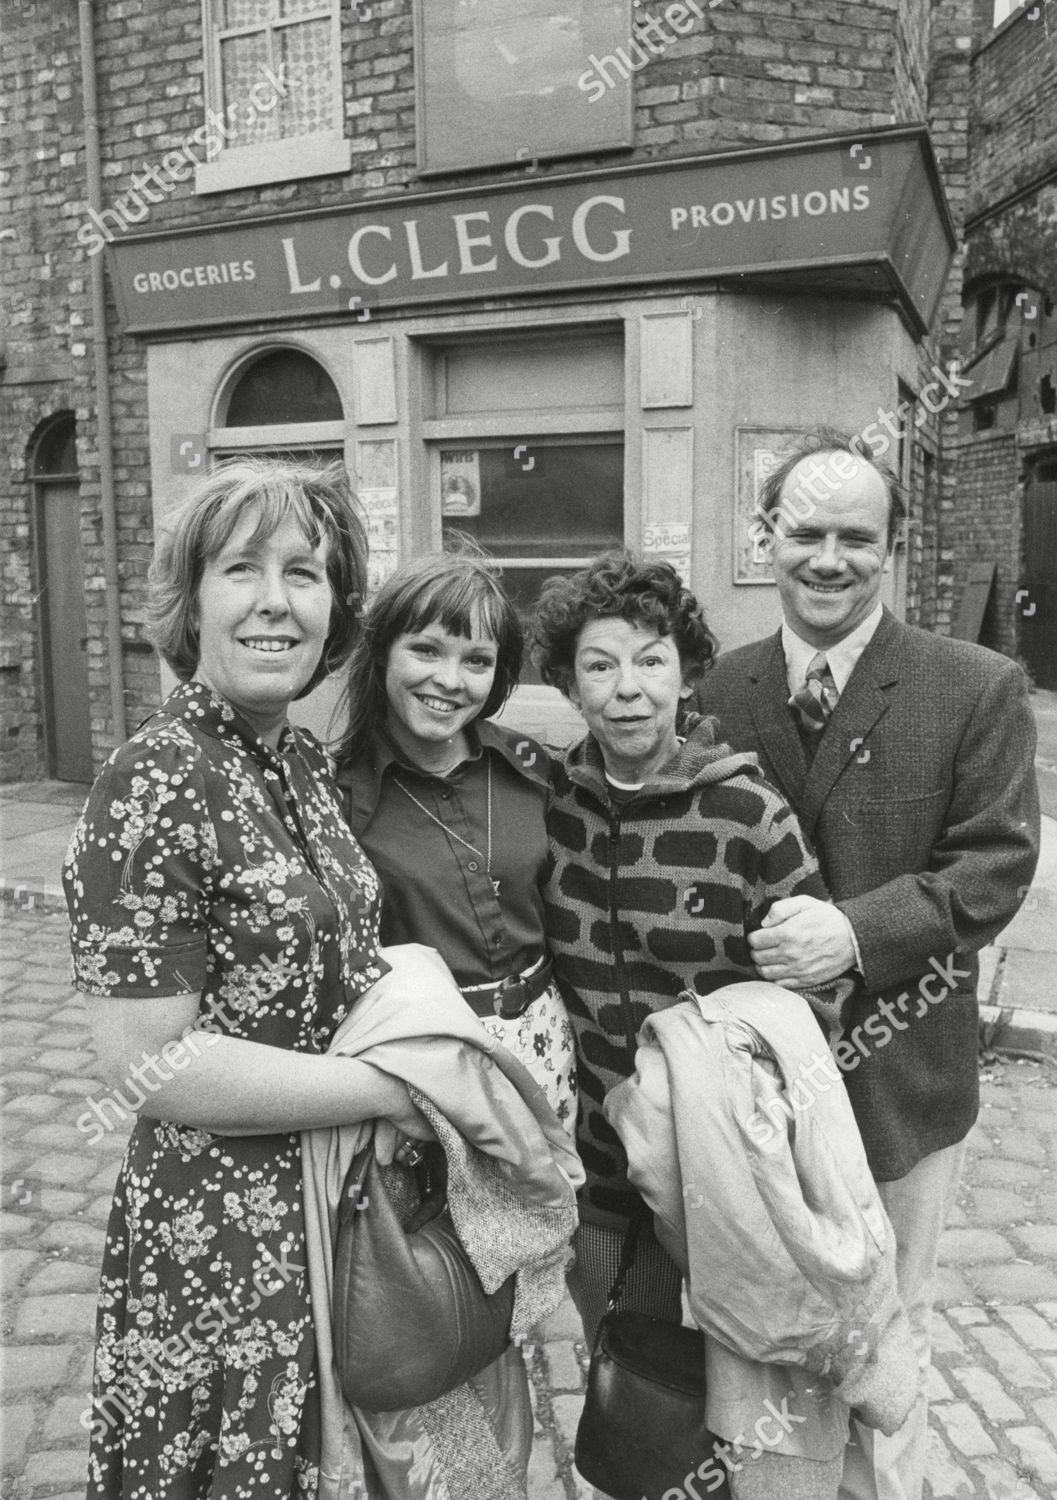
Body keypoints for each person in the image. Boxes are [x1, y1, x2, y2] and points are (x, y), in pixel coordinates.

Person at [63, 459, 436, 1499]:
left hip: (341, 1209)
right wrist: (391, 1088)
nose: (277, 600)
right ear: (191, 604)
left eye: (305, 573)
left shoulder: (296, 761)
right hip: (227, 1240)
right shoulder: (153, 779)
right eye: (242, 570)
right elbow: (150, 1068)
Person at [698, 429, 1040, 1500]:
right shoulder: (715, 689)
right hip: (751, 1094)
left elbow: (994, 865)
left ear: (891, 548)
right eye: (805, 532)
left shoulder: (974, 686)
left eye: (856, 537)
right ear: (768, 540)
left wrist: (857, 932)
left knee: (890, 1323)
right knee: (770, 1324)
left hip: (900, 1084)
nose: (827, 559)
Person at [531, 551, 836, 1346]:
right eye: (598, 666)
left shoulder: (749, 814)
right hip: (599, 1167)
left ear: (687, 674)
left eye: (650, 660)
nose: (627, 688)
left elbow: (815, 998)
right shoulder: (556, 805)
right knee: (623, 1360)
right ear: (567, 685)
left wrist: (747, 1111)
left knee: (743, 1362)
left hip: (721, 1167)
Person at [335, 547, 577, 1128]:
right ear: (382, 652)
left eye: (477, 660)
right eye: (425, 650)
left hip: (546, 1044)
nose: (449, 680)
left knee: (549, 1209)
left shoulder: (532, 769)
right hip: (421, 1061)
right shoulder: (338, 796)